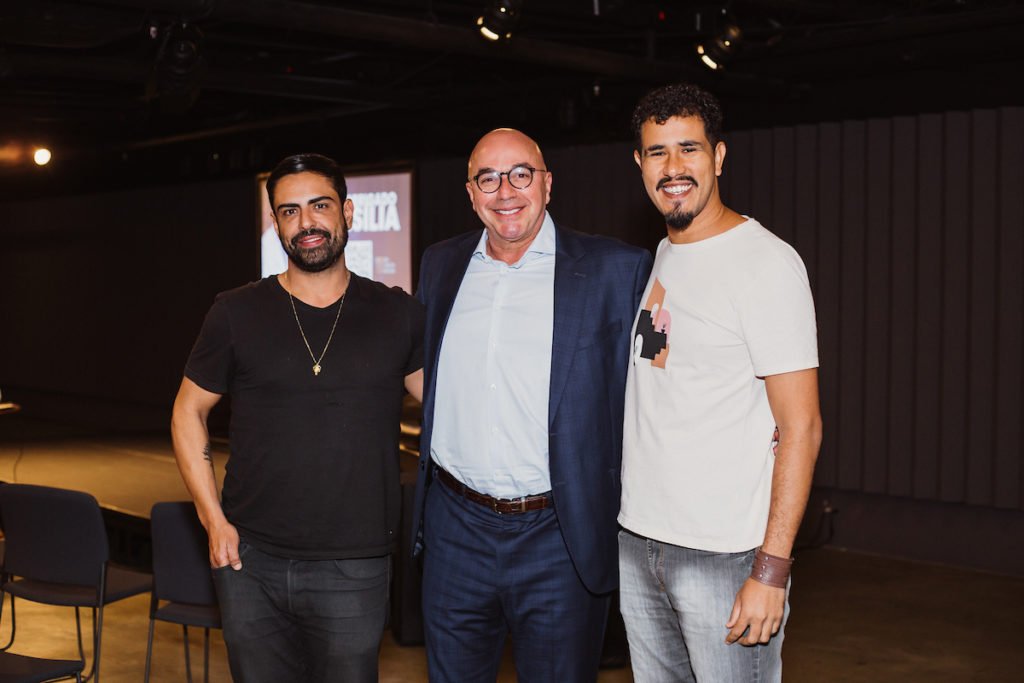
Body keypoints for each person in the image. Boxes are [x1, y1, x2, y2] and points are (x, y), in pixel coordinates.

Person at [170, 153, 424, 683]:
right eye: (289, 211)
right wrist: (213, 521)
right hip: (249, 562)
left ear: (347, 212)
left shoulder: (398, 314)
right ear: (276, 223)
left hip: (355, 566)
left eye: (320, 206)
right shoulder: (235, 312)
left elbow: (451, 411)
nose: (306, 222)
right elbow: (188, 410)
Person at [412, 128, 652, 682]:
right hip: (455, 530)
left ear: (547, 184)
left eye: (521, 174)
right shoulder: (440, 265)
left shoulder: (615, 270)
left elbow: (657, 390)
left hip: (559, 536)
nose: (505, 192)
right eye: (488, 178)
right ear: (470, 193)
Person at [619, 83, 823, 682]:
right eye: (657, 152)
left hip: (725, 555)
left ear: (719, 156)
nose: (673, 167)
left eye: (689, 148)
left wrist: (771, 570)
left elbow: (802, 427)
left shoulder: (765, 264)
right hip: (639, 542)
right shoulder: (664, 253)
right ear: (640, 164)